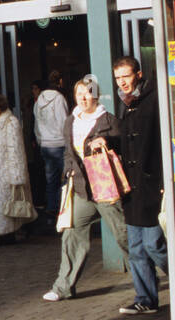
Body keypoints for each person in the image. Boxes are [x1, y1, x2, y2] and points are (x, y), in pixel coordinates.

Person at [43, 75, 128, 301]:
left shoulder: (108, 120)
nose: (82, 97)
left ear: (96, 95)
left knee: (123, 235)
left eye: (87, 93)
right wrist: (69, 170)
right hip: (82, 188)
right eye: (79, 93)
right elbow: (69, 152)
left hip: (106, 187)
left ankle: (153, 275)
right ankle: (62, 287)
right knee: (72, 233)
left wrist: (107, 143)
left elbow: (123, 147)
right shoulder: (71, 121)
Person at [95, 57, 168, 315]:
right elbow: (128, 144)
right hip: (131, 187)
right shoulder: (126, 103)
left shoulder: (154, 98)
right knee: (136, 247)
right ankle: (145, 298)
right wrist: (108, 142)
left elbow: (163, 141)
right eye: (118, 78)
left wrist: (163, 181)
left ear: (138, 74)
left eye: (126, 76)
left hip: (150, 183)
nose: (122, 82)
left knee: (153, 244)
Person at [0, 94, 35, 244]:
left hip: (7, 172)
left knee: (9, 203)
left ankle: (8, 234)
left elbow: (15, 150)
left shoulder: (11, 123)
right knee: (2, 203)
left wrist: (17, 176)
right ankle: (6, 233)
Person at [34, 70, 69, 227]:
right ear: (59, 82)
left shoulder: (38, 100)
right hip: (59, 143)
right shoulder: (59, 99)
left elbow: (36, 124)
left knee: (51, 180)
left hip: (46, 145)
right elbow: (64, 122)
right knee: (66, 179)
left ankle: (51, 211)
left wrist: (40, 140)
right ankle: (64, 211)